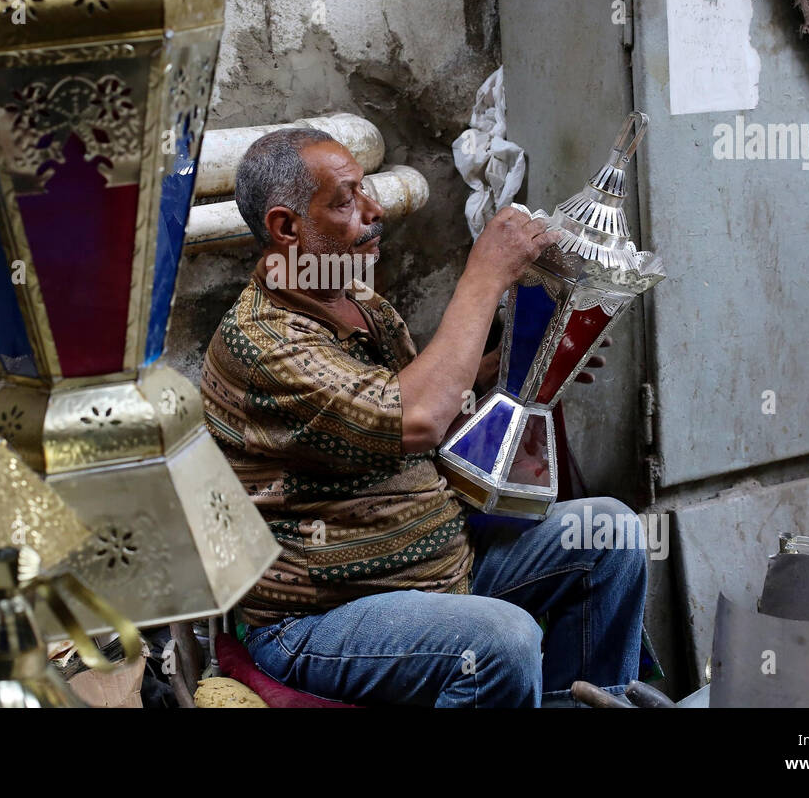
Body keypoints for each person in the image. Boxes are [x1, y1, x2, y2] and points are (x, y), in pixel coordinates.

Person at [200, 127, 647, 706]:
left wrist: (503, 371)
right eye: (344, 201)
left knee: (609, 532)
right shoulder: (261, 343)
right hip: (322, 617)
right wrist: (484, 274)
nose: (374, 210)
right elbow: (417, 419)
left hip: (443, 569)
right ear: (287, 228)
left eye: (365, 190)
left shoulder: (364, 306)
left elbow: (418, 428)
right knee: (499, 641)